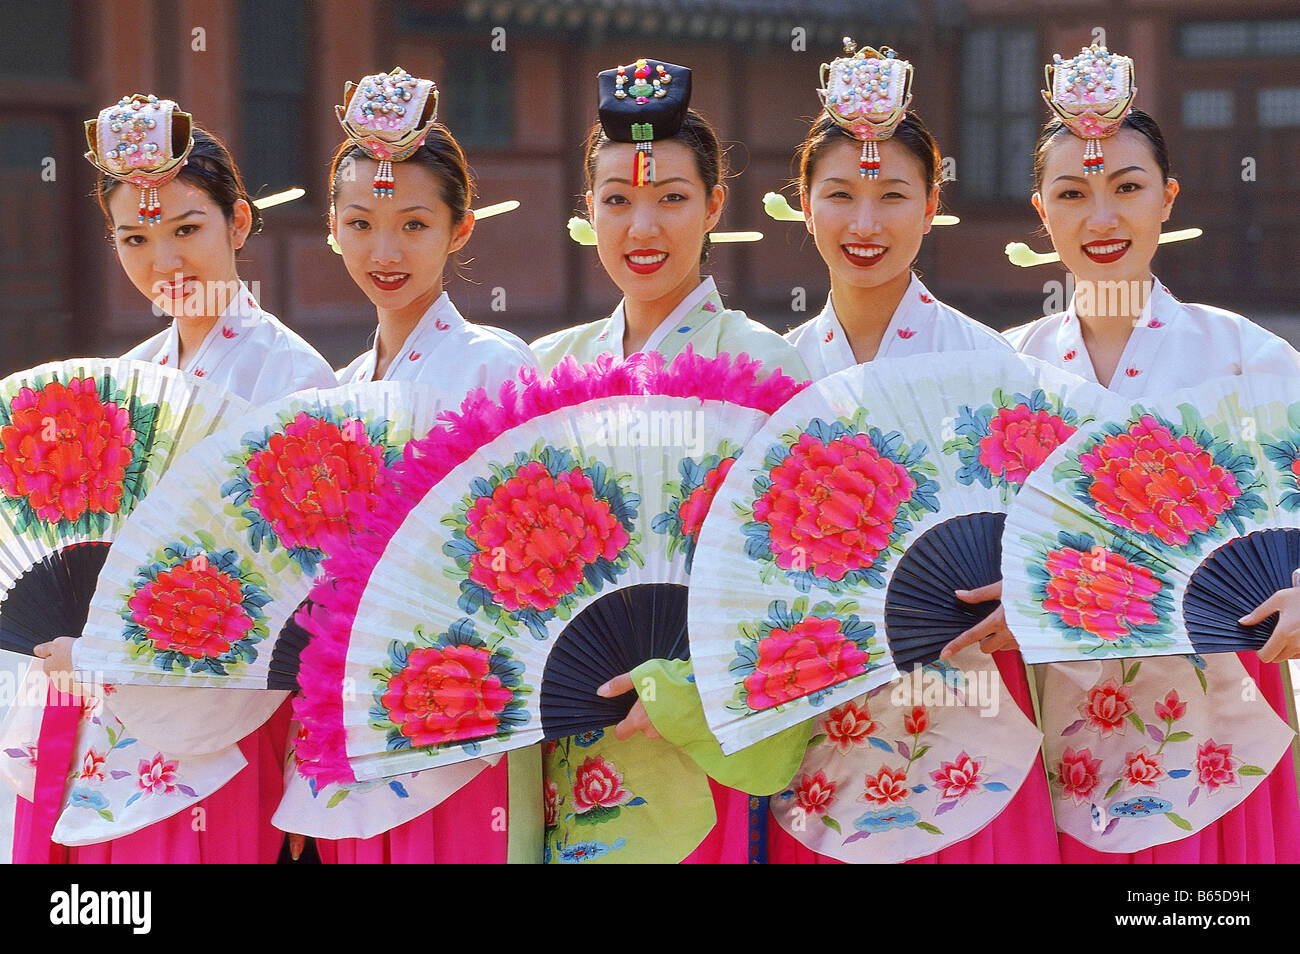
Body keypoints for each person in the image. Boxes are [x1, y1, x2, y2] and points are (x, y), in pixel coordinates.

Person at [7, 93, 337, 862]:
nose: (164, 261)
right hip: (99, 704)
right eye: (136, 237)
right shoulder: (129, 379)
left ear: (240, 223)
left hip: (226, 719)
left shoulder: (297, 381)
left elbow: (302, 598)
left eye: (187, 229)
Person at [998, 44, 1300, 862]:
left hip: (1222, 710)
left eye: (1127, 188)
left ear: (1166, 199)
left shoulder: (1244, 356)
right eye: (1073, 194)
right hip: (1061, 709)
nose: (1102, 219)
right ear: (1042, 211)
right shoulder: (1005, 370)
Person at [767, 42, 1060, 864]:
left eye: (893, 195)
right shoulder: (776, 374)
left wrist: (1029, 588)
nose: (866, 225)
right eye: (841, 196)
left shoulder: (994, 365)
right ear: (803, 203)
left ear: (932, 204)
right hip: (825, 713)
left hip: (972, 705)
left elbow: (1062, 530)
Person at [531, 58, 810, 863]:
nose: (642, 229)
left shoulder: (770, 371)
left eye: (672, 199)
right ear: (588, 211)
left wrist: (684, 690)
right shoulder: (551, 372)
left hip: (705, 737)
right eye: (617, 201)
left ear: (716, 205)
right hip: (574, 732)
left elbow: (804, 573)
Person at [280, 68, 539, 863]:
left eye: (414, 224)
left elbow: (529, 558)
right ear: (331, 227)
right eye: (360, 223)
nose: (384, 251)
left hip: (472, 716)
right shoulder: (338, 391)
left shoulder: (497, 367)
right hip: (356, 710)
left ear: (460, 229)